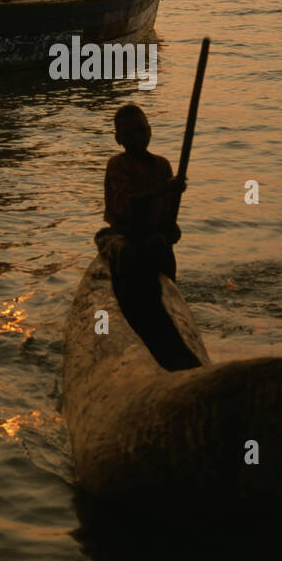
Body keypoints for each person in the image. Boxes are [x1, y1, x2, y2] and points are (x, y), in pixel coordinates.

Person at [95, 104, 200, 371]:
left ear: (150, 132)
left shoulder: (161, 165)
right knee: (126, 254)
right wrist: (163, 190)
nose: (136, 137)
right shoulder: (117, 165)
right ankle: (134, 310)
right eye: (129, 133)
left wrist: (171, 228)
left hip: (151, 236)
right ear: (118, 139)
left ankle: (167, 312)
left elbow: (166, 216)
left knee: (160, 248)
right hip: (122, 235)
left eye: (141, 130)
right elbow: (126, 204)